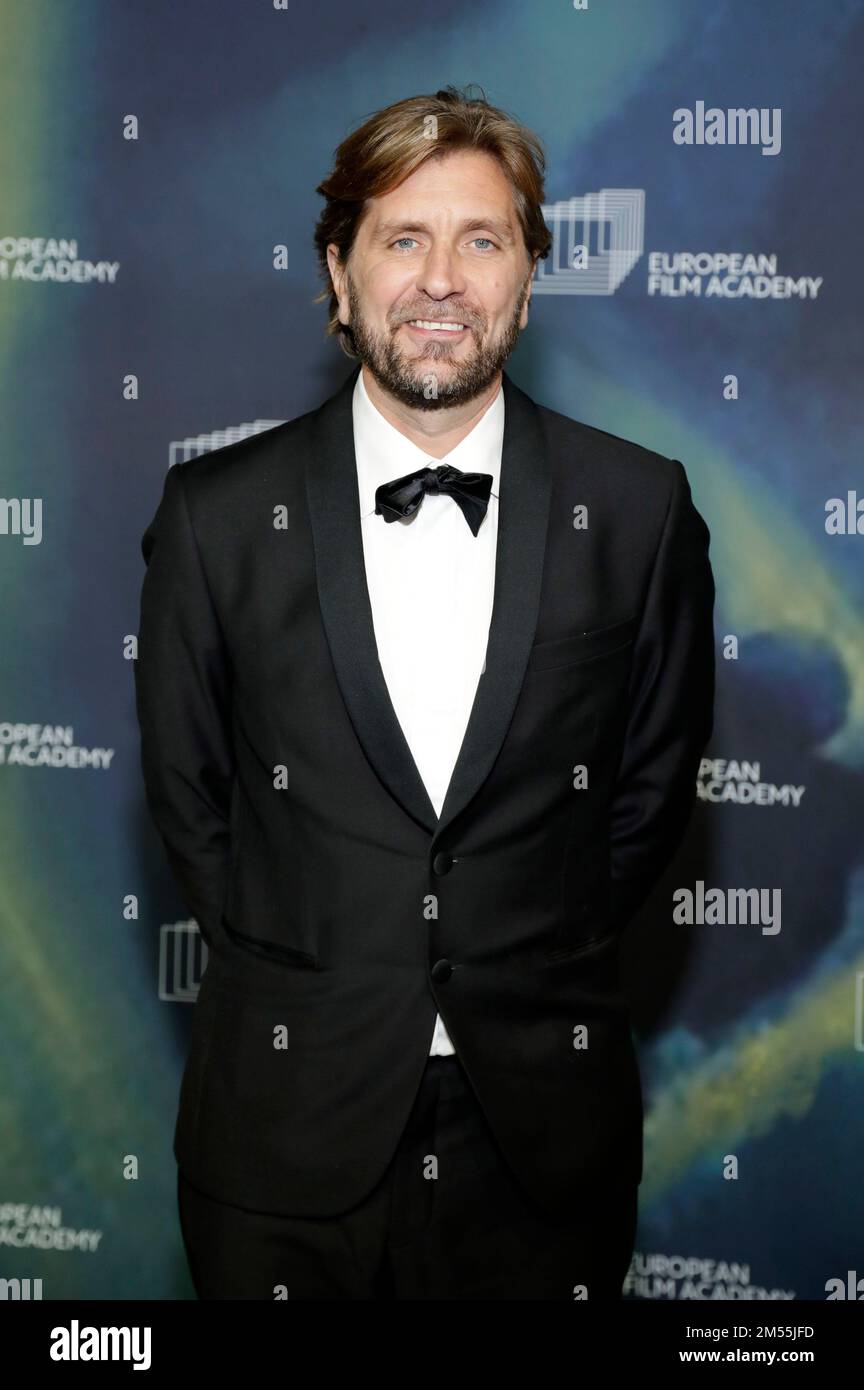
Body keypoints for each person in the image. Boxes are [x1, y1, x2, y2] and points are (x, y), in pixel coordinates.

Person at [134, 85, 715, 1300]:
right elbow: (194, 805)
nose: (441, 278)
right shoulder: (217, 520)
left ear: (529, 275)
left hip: (541, 1147)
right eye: (403, 238)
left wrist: (522, 943)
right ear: (338, 274)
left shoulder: (640, 511)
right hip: (284, 1140)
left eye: (482, 239)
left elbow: (647, 796)